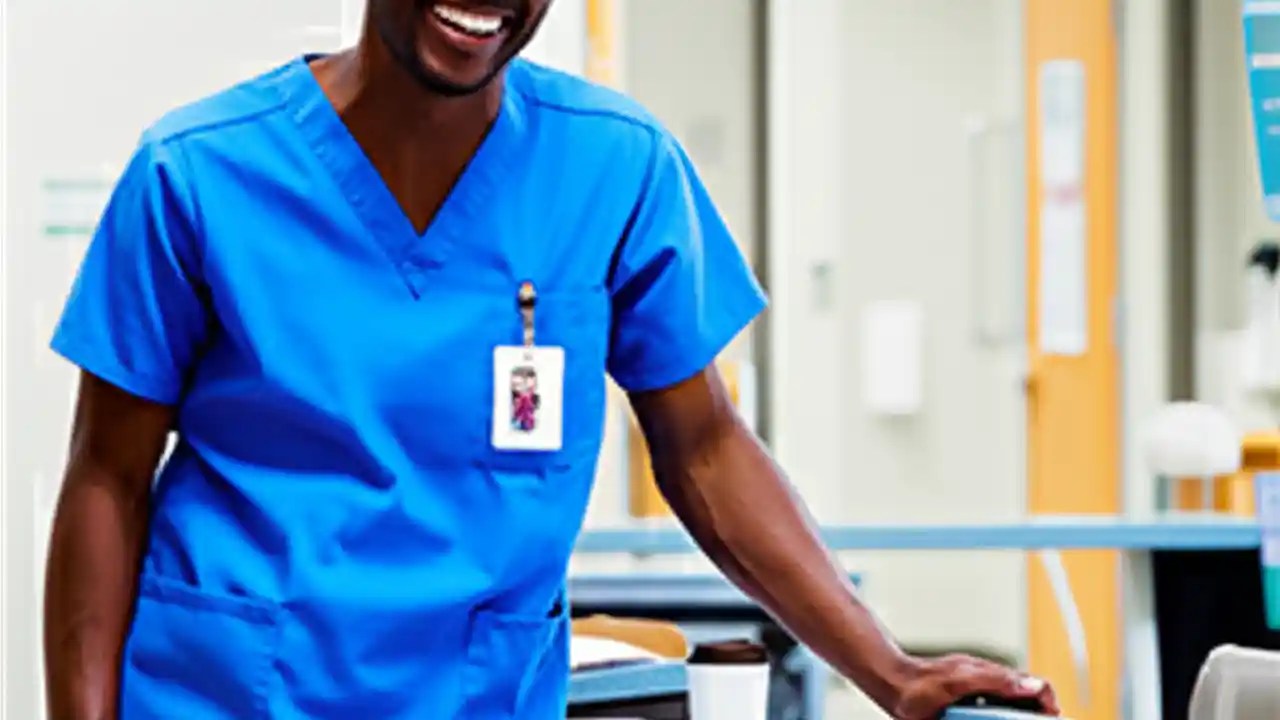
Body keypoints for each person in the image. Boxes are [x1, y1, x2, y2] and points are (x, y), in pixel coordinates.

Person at [41, 1, 1060, 718]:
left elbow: (703, 446)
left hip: (477, 695)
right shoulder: (200, 171)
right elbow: (106, 478)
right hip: (235, 695)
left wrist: (885, 670)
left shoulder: (611, 167)